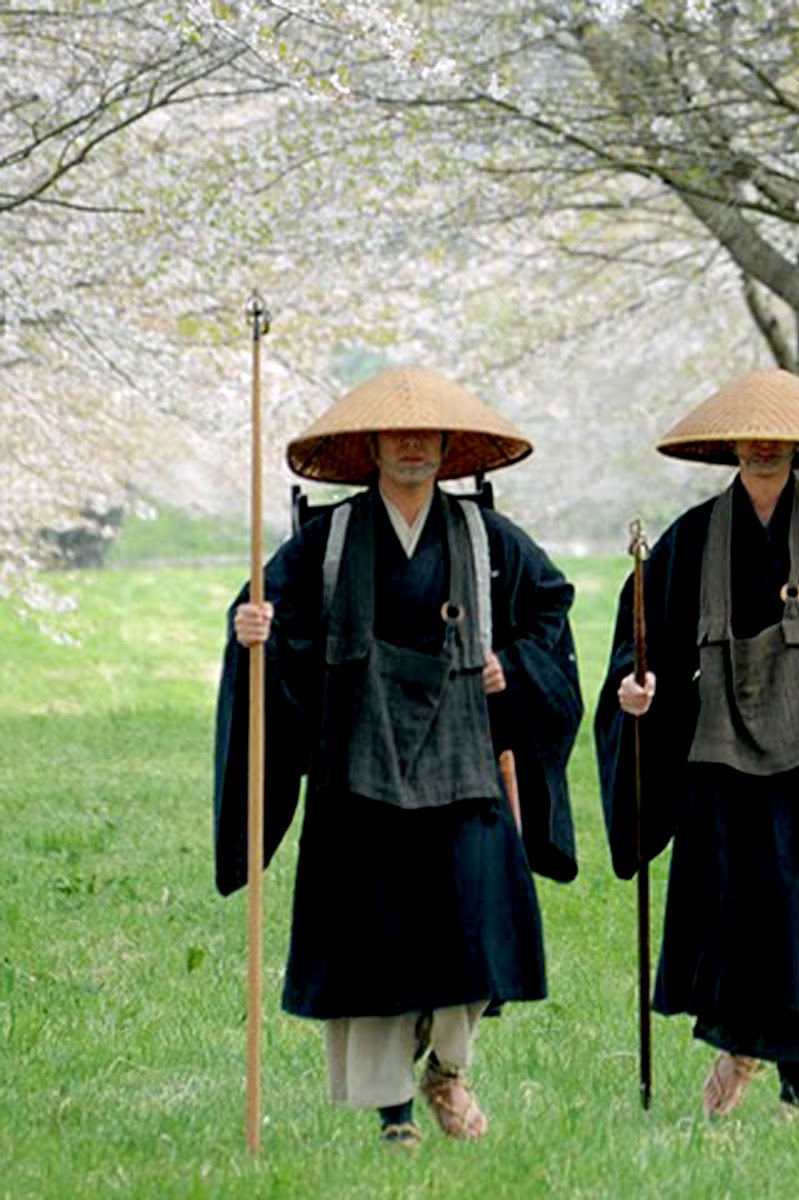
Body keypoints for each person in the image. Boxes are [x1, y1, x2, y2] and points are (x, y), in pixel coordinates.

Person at [213, 367, 582, 1147]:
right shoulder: (330, 539)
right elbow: (270, 617)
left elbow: (552, 605)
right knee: (374, 938)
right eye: (397, 435)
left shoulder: (487, 539)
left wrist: (509, 664)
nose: (412, 447)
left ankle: (447, 1071)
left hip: (463, 761)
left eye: (426, 437)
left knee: (478, 917)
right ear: (373, 448)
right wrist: (256, 634)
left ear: (449, 449)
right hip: (360, 765)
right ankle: (393, 1113)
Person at [594, 368, 799, 1117]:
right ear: (732, 446)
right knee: (733, 912)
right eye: (751, 439)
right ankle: (738, 1047)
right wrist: (637, 692)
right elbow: (646, 647)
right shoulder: (693, 537)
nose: (764, 450)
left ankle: (795, 1080)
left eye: (778, 440)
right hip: (719, 760)